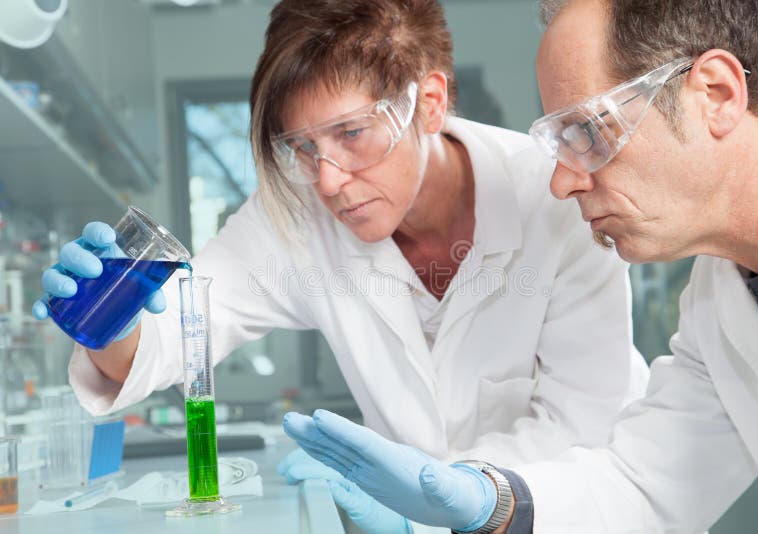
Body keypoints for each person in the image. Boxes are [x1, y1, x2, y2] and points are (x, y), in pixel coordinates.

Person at [33, 1, 649, 532]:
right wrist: (113, 324)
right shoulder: (296, 216)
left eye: (352, 133)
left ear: (428, 103)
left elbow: (581, 427)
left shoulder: (559, 198)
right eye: (301, 147)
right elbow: (182, 330)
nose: (328, 181)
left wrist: (440, 500)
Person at [282, 0, 758, 532]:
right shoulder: (722, 297)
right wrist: (490, 500)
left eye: (588, 133)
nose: (561, 182)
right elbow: (643, 483)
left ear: (716, 94)